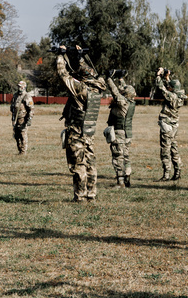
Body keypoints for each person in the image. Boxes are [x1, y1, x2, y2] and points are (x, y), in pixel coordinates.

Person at [56, 48, 106, 202]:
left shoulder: (81, 89)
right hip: (89, 133)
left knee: (78, 165)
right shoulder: (97, 89)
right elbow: (93, 74)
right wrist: (81, 58)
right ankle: (91, 194)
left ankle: (80, 196)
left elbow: (62, 74)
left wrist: (60, 55)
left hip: (77, 132)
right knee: (90, 163)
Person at [105, 74, 136, 188]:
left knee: (118, 156)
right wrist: (121, 79)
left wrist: (108, 79)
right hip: (128, 133)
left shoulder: (122, 102)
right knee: (126, 156)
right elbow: (125, 90)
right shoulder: (131, 102)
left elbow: (115, 92)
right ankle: (127, 177)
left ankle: (120, 182)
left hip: (119, 132)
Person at [154, 67, 184, 181]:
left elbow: (161, 87)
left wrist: (158, 75)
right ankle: (177, 171)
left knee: (165, 150)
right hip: (174, 125)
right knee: (174, 148)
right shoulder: (179, 95)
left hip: (167, 125)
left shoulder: (171, 96)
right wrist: (167, 77)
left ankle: (166, 174)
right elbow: (171, 87)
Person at [10, 80, 34, 154]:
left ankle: (23, 151)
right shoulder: (15, 95)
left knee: (23, 135)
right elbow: (12, 106)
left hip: (23, 118)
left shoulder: (27, 96)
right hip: (16, 118)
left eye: (21, 86)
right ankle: (20, 150)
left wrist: (29, 118)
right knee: (16, 135)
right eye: (18, 86)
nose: (19, 88)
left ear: (24, 87)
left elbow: (31, 109)